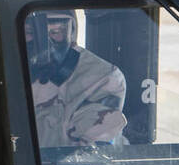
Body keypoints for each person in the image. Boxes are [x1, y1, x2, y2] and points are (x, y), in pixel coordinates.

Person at [28, 9, 128, 149]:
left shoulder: (101, 77)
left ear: (72, 32)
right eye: (30, 33)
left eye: (56, 32)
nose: (45, 43)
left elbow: (98, 134)